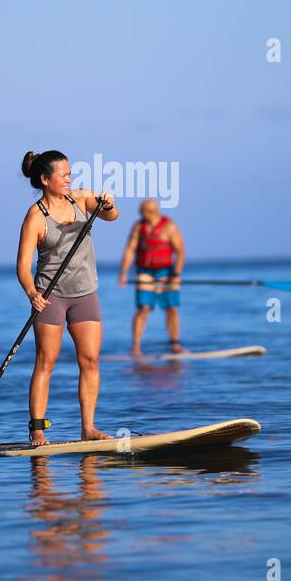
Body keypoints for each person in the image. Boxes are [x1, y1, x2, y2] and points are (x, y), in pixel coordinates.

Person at [17, 150, 117, 447]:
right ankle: (38, 432)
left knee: (90, 361)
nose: (69, 179)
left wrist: (108, 205)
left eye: (70, 174)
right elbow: (22, 265)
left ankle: (88, 429)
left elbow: (111, 216)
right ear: (45, 180)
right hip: (50, 296)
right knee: (46, 362)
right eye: (63, 175)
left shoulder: (81, 198)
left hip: (85, 293)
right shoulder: (36, 216)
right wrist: (32, 293)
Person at [118, 198, 186, 357]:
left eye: (142, 211)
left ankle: (175, 344)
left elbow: (181, 251)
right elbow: (130, 249)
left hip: (166, 272)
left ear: (152, 211)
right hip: (145, 271)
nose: (140, 214)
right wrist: (123, 273)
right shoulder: (138, 226)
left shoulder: (169, 226)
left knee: (171, 308)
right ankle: (135, 347)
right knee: (143, 308)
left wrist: (176, 274)